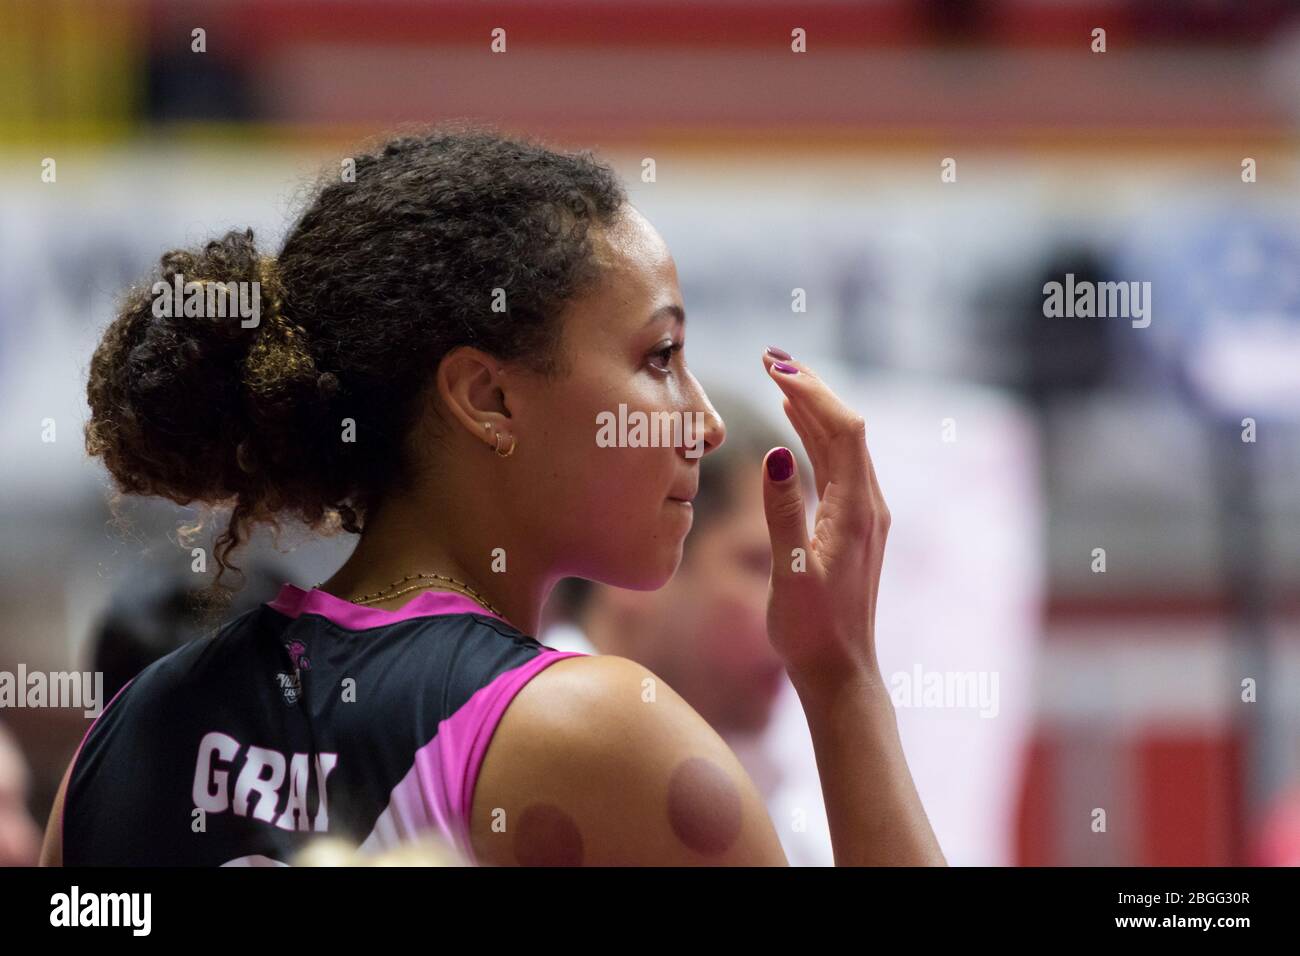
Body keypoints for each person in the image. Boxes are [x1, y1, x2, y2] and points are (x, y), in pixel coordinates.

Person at [42, 124, 945, 866]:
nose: (702, 423)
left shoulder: (126, 728)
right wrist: (844, 681)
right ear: (489, 399)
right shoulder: (594, 734)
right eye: (660, 359)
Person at [543, 390, 835, 864]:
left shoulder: (777, 792)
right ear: (637, 564)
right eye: (761, 565)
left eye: (802, 569)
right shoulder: (520, 749)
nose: (802, 610)